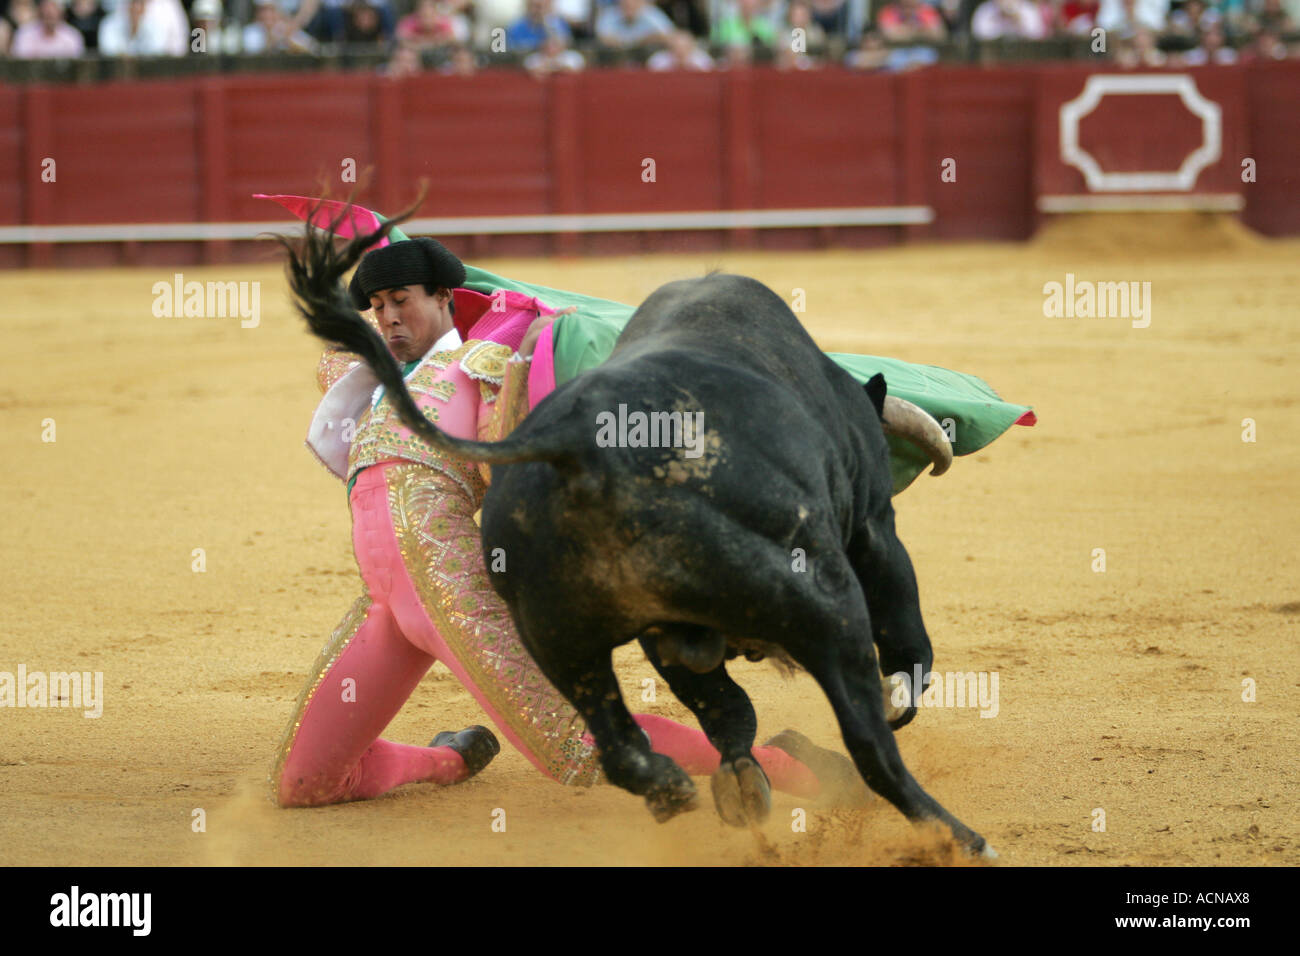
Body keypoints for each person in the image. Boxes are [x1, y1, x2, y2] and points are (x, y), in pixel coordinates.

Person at [269, 208, 867, 808]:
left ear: (446, 298)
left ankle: (779, 761)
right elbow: (334, 343)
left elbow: (523, 466)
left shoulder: (490, 366)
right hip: (386, 605)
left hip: (453, 587)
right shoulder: (371, 378)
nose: (389, 316)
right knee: (306, 784)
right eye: (379, 307)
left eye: (402, 299)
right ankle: (450, 757)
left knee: (579, 744)